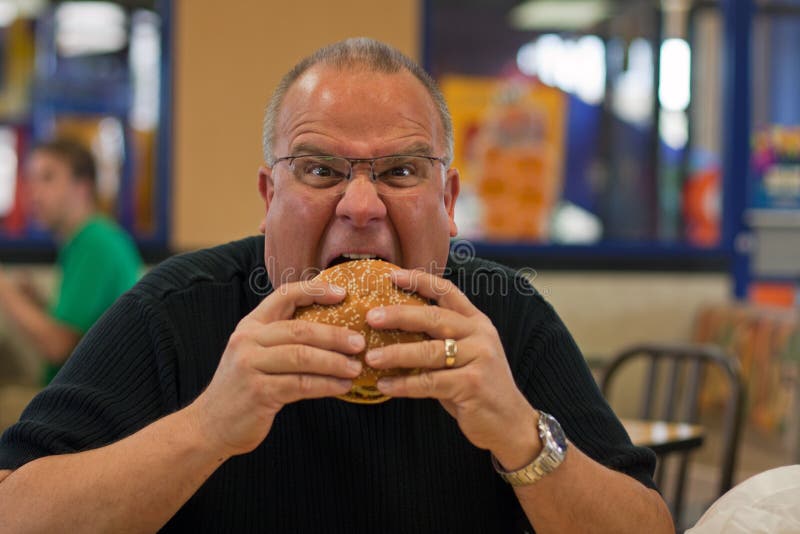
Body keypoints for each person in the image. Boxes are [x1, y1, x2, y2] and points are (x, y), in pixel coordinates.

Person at [0, 39, 674, 533]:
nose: (360, 207)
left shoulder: (504, 316)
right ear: (268, 197)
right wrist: (205, 428)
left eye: (403, 172)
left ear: (449, 201)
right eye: (320, 171)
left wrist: (522, 436)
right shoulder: (177, 313)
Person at [0, 138, 143, 385]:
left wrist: (4, 290)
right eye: (31, 179)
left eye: (47, 178)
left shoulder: (96, 243)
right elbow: (80, 334)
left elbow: (58, 347)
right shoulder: (82, 242)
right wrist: (35, 303)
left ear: (82, 187)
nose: (33, 192)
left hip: (82, 411)